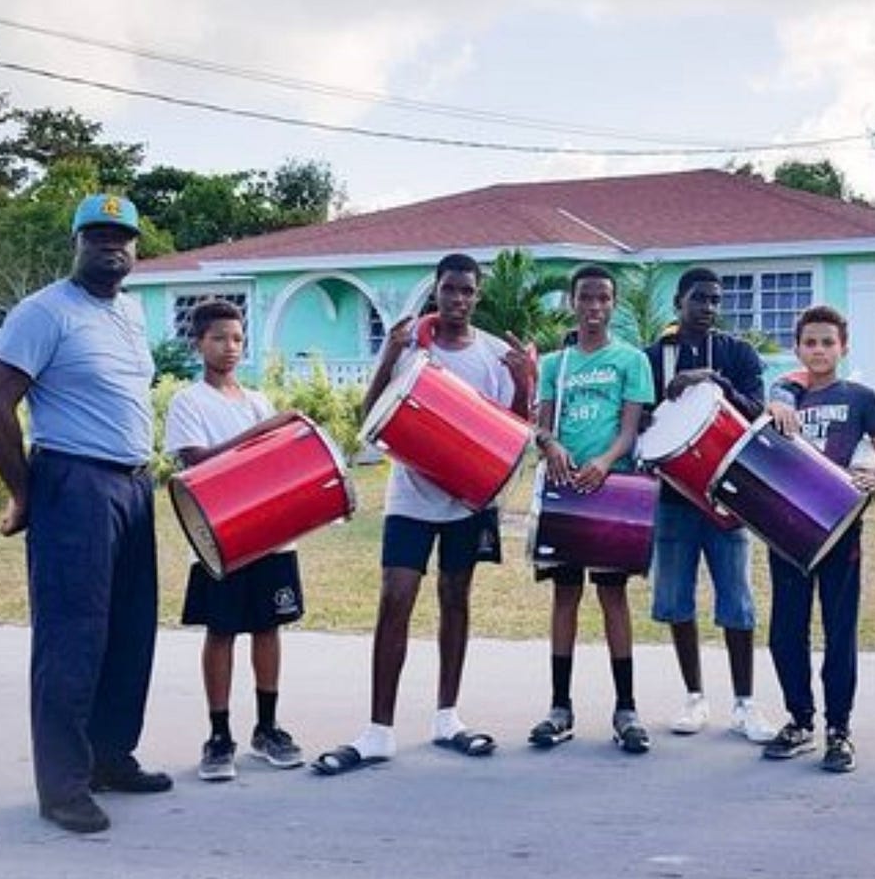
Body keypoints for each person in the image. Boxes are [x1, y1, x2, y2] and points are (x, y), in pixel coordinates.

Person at [0, 194, 171, 834]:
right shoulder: (44, 312)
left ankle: (109, 758)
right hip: (74, 483)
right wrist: (26, 490)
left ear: (136, 248)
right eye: (96, 235)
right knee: (73, 637)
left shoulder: (131, 312)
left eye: (121, 237)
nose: (110, 246)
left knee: (128, 630)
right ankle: (62, 786)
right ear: (77, 242)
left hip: (132, 485)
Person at [312, 253, 532, 774]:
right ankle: (378, 730)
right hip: (410, 496)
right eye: (449, 289)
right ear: (436, 291)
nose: (457, 299)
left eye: (467, 291)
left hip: (466, 501)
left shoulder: (495, 355)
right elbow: (370, 418)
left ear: (477, 296)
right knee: (396, 600)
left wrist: (524, 380)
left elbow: (514, 432)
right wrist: (389, 356)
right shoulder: (412, 346)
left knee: (456, 599)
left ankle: (447, 718)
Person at [164, 299, 307, 781]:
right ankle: (219, 734)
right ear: (198, 343)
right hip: (219, 538)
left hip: (271, 539)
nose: (230, 348)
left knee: (269, 628)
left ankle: (267, 728)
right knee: (221, 631)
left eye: (238, 339)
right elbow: (195, 464)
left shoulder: (256, 401)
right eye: (219, 338)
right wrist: (258, 436)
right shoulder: (189, 401)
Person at [763, 304, 875, 773]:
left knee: (839, 632)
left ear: (843, 347)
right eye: (810, 342)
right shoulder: (784, 397)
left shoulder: (860, 397)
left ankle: (839, 730)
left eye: (828, 342)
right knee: (785, 631)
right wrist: (776, 400)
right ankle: (799, 721)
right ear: (797, 347)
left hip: (841, 528)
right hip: (787, 530)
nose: (819, 350)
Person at [643, 267, 776, 743]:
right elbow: (641, 422)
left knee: (737, 602)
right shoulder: (654, 357)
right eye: (699, 298)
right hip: (673, 499)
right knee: (676, 600)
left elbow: (756, 412)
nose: (709, 307)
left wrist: (713, 380)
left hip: (727, 496)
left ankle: (744, 702)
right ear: (678, 302)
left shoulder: (737, 353)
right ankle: (694, 697)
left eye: (716, 300)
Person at [527, 264, 656, 754]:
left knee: (612, 597)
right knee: (564, 596)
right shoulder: (556, 365)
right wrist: (551, 445)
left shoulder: (630, 360)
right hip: (563, 489)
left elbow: (630, 429)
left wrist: (604, 461)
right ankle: (560, 707)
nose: (594, 307)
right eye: (586, 298)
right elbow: (540, 427)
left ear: (614, 303)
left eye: (603, 298)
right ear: (572, 302)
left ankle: (627, 708)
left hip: (610, 488)